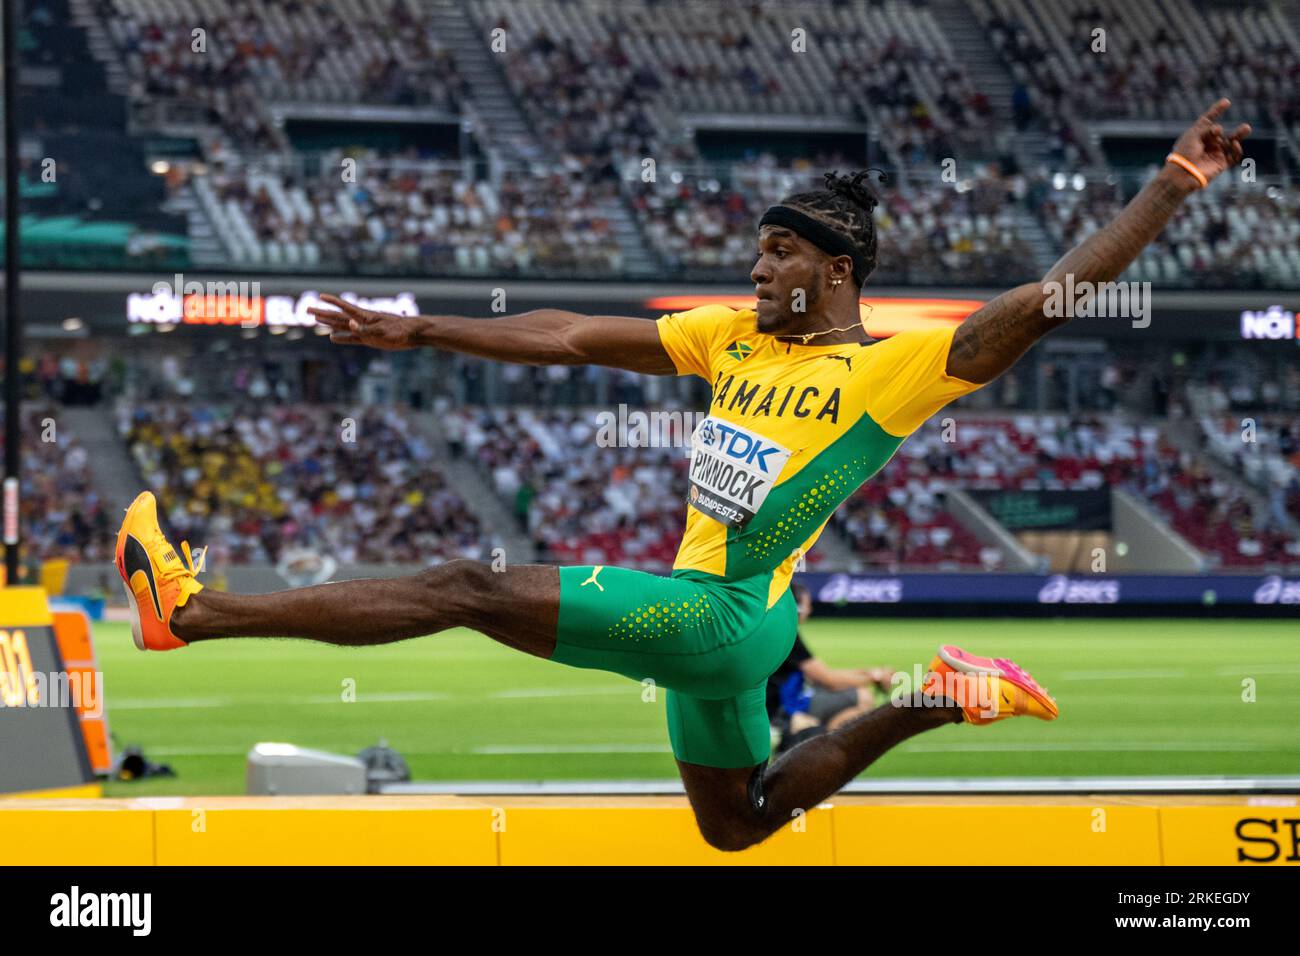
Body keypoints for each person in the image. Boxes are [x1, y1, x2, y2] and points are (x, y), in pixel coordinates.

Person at [116, 101, 1248, 851]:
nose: (755, 269)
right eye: (757, 251)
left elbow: (1046, 298)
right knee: (740, 823)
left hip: (715, 616)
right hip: (738, 619)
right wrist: (422, 332)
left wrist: (1170, 185)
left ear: (835, 268)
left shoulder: (898, 370)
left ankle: (193, 612)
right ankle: (943, 694)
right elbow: (566, 334)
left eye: (778, 254)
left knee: (465, 584)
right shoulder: (729, 339)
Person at [765, 582, 894, 753]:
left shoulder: (778, 629)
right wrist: (874, 677)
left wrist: (869, 673)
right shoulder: (789, 635)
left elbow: (822, 675)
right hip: (783, 707)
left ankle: (820, 742)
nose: (810, 611)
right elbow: (829, 680)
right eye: (808, 605)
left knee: (856, 694)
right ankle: (823, 748)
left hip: (784, 699)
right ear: (798, 608)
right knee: (863, 697)